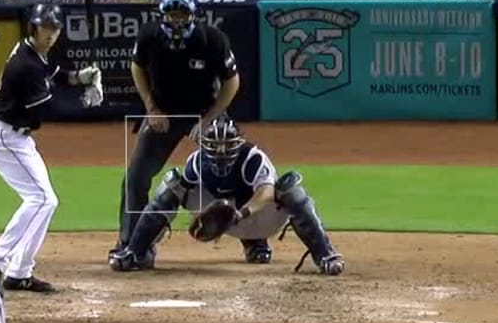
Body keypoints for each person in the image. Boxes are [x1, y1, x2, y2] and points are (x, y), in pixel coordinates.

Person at [0, 4, 103, 295]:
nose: (52, 34)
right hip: (4, 139)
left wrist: (81, 77)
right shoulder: (26, 65)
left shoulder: (33, 52)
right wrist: (85, 101)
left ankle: (19, 273)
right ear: (34, 28)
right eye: (47, 28)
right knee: (42, 199)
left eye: (55, 29)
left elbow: (57, 75)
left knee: (44, 200)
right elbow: (50, 109)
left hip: (15, 137)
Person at [109, 117, 345, 276]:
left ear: (237, 144)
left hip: (258, 219)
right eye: (215, 145)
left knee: (292, 190)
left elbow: (266, 193)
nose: (221, 151)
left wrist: (239, 213)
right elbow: (184, 192)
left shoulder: (253, 158)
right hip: (222, 217)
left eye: (226, 145)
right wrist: (210, 215)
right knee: (172, 185)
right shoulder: (197, 161)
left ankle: (325, 254)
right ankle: (136, 252)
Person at [111, 0, 240, 256]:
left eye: (183, 15)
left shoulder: (213, 39)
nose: (177, 21)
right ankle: (132, 243)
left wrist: (208, 120)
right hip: (164, 114)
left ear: (193, 16)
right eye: (172, 15)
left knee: (234, 173)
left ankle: (255, 241)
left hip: (206, 112)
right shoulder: (149, 36)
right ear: (163, 17)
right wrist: (151, 108)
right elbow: (137, 67)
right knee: (135, 178)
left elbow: (232, 82)